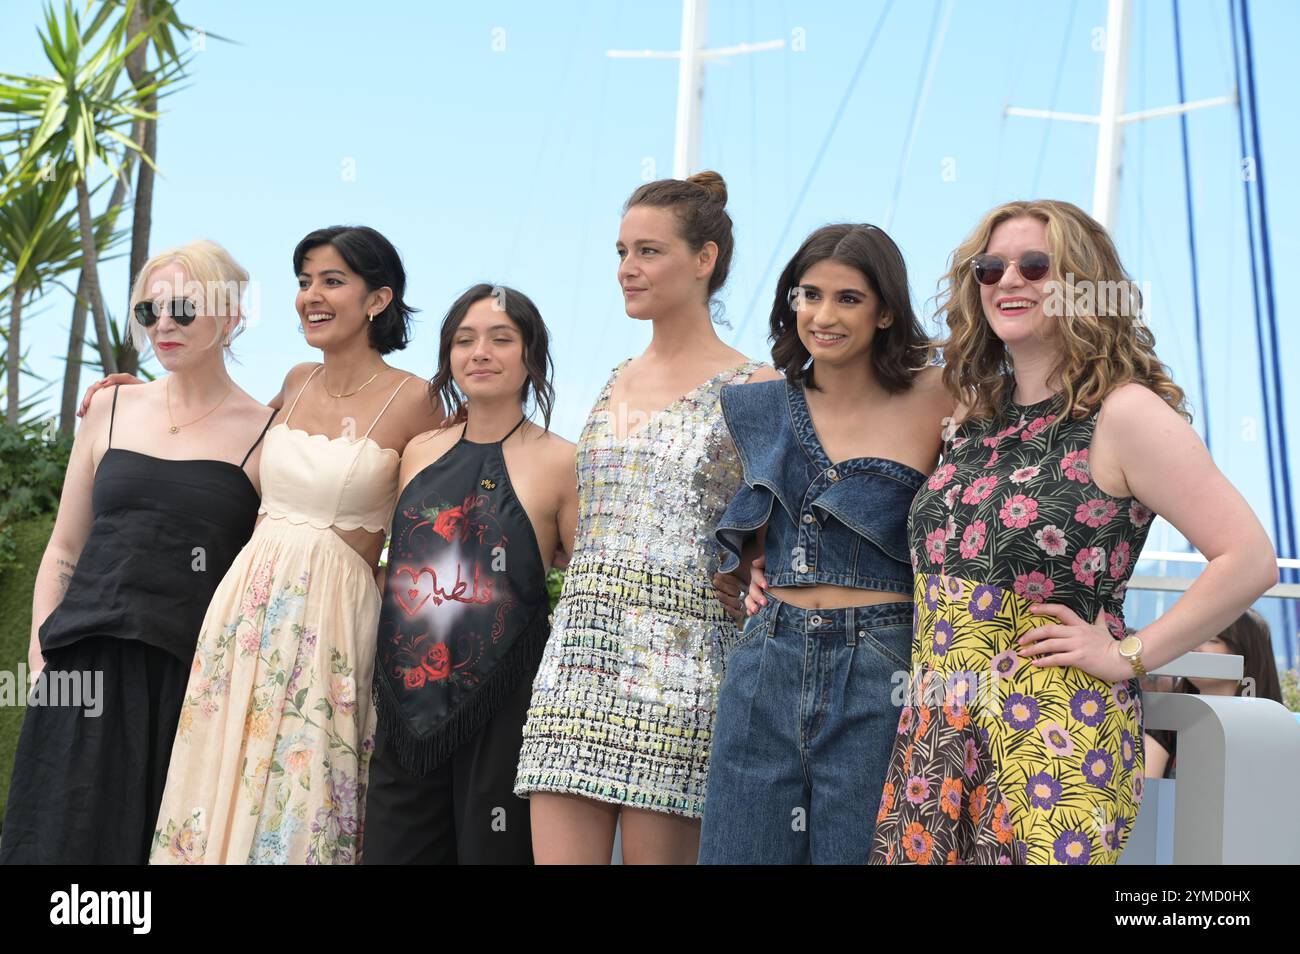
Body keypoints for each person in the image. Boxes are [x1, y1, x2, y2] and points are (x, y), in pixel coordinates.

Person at [869, 199, 1278, 864]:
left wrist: (1130, 655)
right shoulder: (975, 414)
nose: (1009, 280)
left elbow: (1250, 557)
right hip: (937, 734)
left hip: (1054, 739)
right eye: (990, 267)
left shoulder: (1125, 414)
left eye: (1036, 265)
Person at [147, 226, 444, 864]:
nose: (311, 294)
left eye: (332, 280)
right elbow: (217, 425)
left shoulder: (417, 399)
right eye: (304, 281)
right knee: (218, 779)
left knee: (305, 794)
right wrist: (135, 394)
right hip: (244, 613)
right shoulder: (297, 380)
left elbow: (451, 508)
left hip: (333, 620)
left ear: (378, 299)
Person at [513, 172, 780, 864]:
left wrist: (754, 566)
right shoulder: (611, 380)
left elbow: (778, 527)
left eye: (649, 252)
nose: (628, 269)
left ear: (704, 259)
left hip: (685, 666)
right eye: (622, 251)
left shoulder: (757, 387)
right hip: (578, 660)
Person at [1, 241, 275, 864]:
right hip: (80, 666)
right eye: (149, 313)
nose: (164, 325)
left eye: (183, 307)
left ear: (232, 316)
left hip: (185, 679)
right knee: (52, 847)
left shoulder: (267, 434)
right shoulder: (110, 407)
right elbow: (65, 546)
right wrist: (41, 655)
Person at [700, 224, 951, 863]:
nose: (822, 315)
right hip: (767, 659)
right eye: (808, 295)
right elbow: (741, 545)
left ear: (887, 310)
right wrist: (749, 574)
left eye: (848, 298)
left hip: (885, 662)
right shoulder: (758, 406)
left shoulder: (941, 395)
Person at [363, 284, 577, 864]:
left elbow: (587, 588)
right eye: (465, 340)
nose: (480, 352)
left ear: (532, 355)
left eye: (501, 339)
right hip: (405, 698)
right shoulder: (419, 450)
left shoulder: (563, 461)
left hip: (505, 701)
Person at [1144, 609, 1283, 778]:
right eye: (1192, 638)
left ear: (1245, 655)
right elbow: (1146, 791)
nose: (1194, 647)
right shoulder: (1168, 723)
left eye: (1211, 640)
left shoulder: (1271, 732)